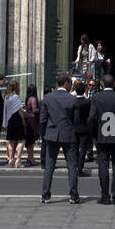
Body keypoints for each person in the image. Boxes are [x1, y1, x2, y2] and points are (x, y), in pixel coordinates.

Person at [40, 75, 80, 203]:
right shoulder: (72, 99)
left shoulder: (47, 98)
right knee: (72, 166)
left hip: (51, 135)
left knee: (49, 166)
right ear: (67, 83)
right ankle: (73, 195)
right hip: (68, 135)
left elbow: (42, 119)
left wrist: (44, 134)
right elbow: (77, 120)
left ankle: (45, 195)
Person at [88, 74, 115, 204]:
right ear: (114, 84)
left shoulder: (96, 97)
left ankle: (105, 196)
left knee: (103, 167)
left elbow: (92, 118)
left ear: (102, 84)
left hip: (102, 137)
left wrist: (93, 135)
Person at [72, 78, 93, 175]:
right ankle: (80, 169)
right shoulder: (87, 102)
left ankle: (75, 166)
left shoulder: (72, 101)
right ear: (84, 90)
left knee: (75, 148)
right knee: (83, 149)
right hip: (84, 127)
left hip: (74, 127)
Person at [4, 80, 26, 168]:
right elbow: (19, 110)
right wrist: (23, 121)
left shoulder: (6, 97)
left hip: (10, 121)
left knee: (11, 140)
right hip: (17, 120)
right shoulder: (16, 97)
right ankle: (18, 160)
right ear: (16, 87)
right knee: (21, 140)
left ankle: (11, 159)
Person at [23, 85, 40, 167]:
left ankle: (30, 157)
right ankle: (31, 158)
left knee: (29, 140)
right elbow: (34, 110)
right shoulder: (33, 99)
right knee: (31, 140)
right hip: (32, 120)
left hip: (28, 119)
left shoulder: (27, 99)